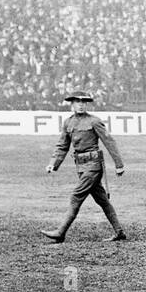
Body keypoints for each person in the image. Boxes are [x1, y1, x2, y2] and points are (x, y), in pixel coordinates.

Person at [40, 92, 127, 243]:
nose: (80, 104)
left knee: (76, 196)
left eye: (83, 102)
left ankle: (61, 232)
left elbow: (109, 141)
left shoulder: (94, 121)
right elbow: (62, 146)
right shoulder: (68, 123)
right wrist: (53, 163)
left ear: (87, 104)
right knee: (102, 200)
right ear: (72, 104)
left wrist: (119, 165)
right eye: (77, 101)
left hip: (93, 166)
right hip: (81, 167)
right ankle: (119, 232)